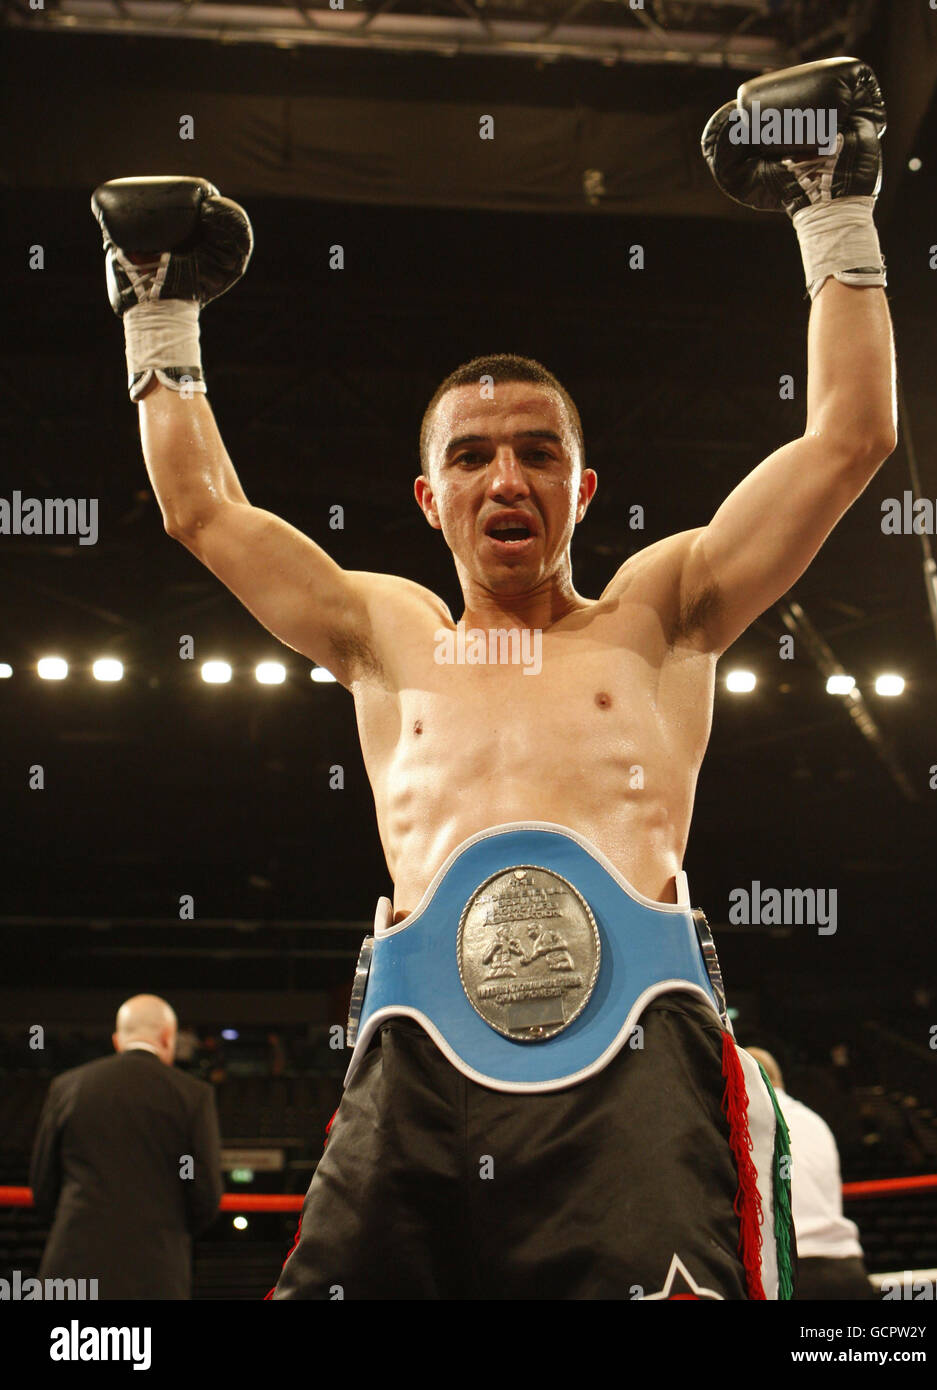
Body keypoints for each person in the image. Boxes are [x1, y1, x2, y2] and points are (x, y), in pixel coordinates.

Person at [90, 56, 896, 1299]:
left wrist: (832, 205)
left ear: (583, 490)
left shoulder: (664, 611)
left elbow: (849, 435)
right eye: (470, 457)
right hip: (416, 1063)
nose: (503, 479)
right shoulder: (382, 631)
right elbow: (201, 508)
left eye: (536, 452)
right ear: (428, 497)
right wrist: (160, 309)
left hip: (639, 1063)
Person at [29, 995, 224, 1299]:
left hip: (72, 1267)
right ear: (166, 1037)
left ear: (118, 1040)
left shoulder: (67, 1086)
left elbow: (43, 1185)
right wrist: (168, 1230)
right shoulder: (193, 1095)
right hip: (155, 1271)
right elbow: (206, 1196)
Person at [746, 1048, 876, 1300]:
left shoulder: (748, 1121)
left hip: (793, 1270)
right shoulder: (814, 1120)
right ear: (779, 1080)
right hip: (849, 1270)